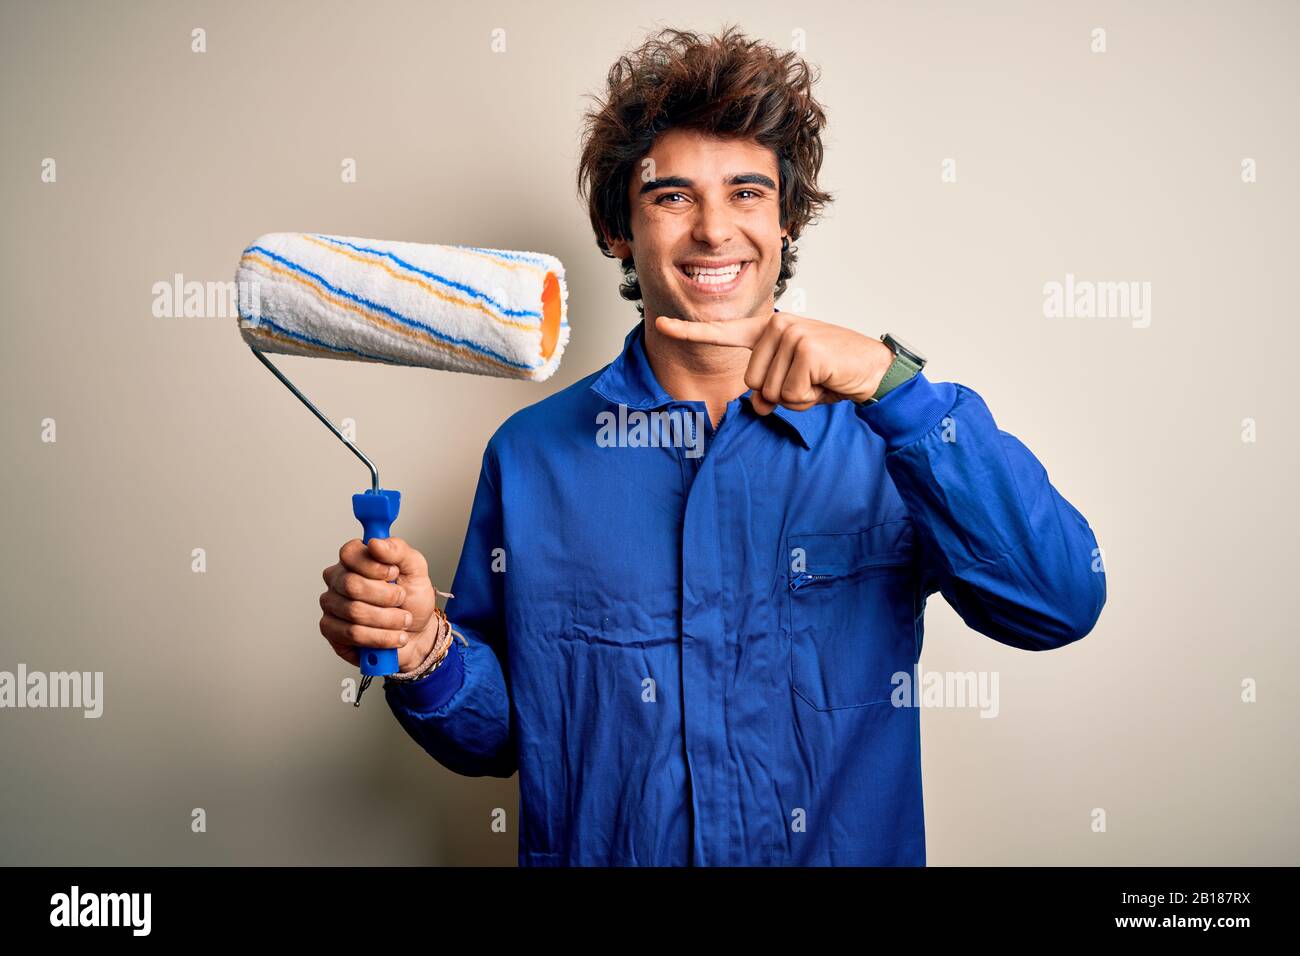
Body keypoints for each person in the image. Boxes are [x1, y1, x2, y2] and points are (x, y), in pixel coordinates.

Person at [317, 25, 1106, 866]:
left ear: (788, 221)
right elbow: (505, 738)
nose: (714, 231)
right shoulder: (531, 458)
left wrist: (894, 383)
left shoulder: (891, 437)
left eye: (746, 193)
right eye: (673, 196)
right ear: (620, 229)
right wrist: (421, 650)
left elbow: (1057, 602)